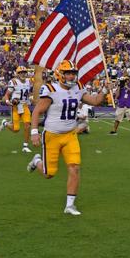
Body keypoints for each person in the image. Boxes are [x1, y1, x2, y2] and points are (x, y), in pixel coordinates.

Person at [26, 60, 109, 216]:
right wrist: (34, 132)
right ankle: (37, 160)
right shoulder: (51, 89)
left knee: (75, 168)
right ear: (60, 74)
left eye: (73, 73)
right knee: (48, 174)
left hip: (71, 135)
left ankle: (70, 205)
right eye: (68, 73)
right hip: (52, 136)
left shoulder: (78, 88)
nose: (72, 76)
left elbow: (95, 101)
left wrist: (104, 91)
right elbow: (37, 111)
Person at [0, 66, 33, 152]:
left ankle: (25, 146)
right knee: (16, 129)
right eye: (21, 73)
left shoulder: (29, 81)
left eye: (24, 72)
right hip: (16, 107)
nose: (23, 74)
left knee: (27, 125)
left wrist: (30, 98)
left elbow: (28, 92)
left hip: (24, 106)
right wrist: (7, 101)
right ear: (18, 74)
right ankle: (5, 123)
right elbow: (7, 94)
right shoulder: (13, 82)